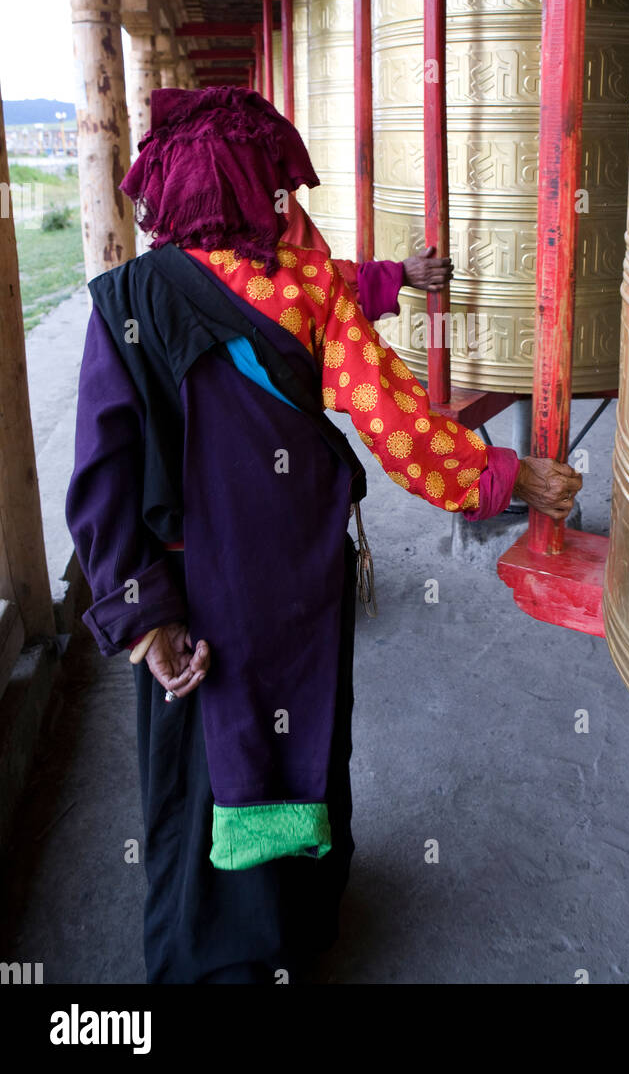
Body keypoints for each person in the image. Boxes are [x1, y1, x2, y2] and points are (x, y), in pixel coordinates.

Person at [66, 86, 580, 984]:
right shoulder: (308, 290)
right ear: (253, 186)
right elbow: (400, 428)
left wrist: (145, 620)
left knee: (193, 764)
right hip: (296, 581)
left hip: (183, 593)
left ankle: (202, 952)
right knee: (299, 737)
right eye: (277, 187)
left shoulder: (122, 303)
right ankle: (292, 928)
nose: (288, 206)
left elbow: (100, 481)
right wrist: (505, 476)